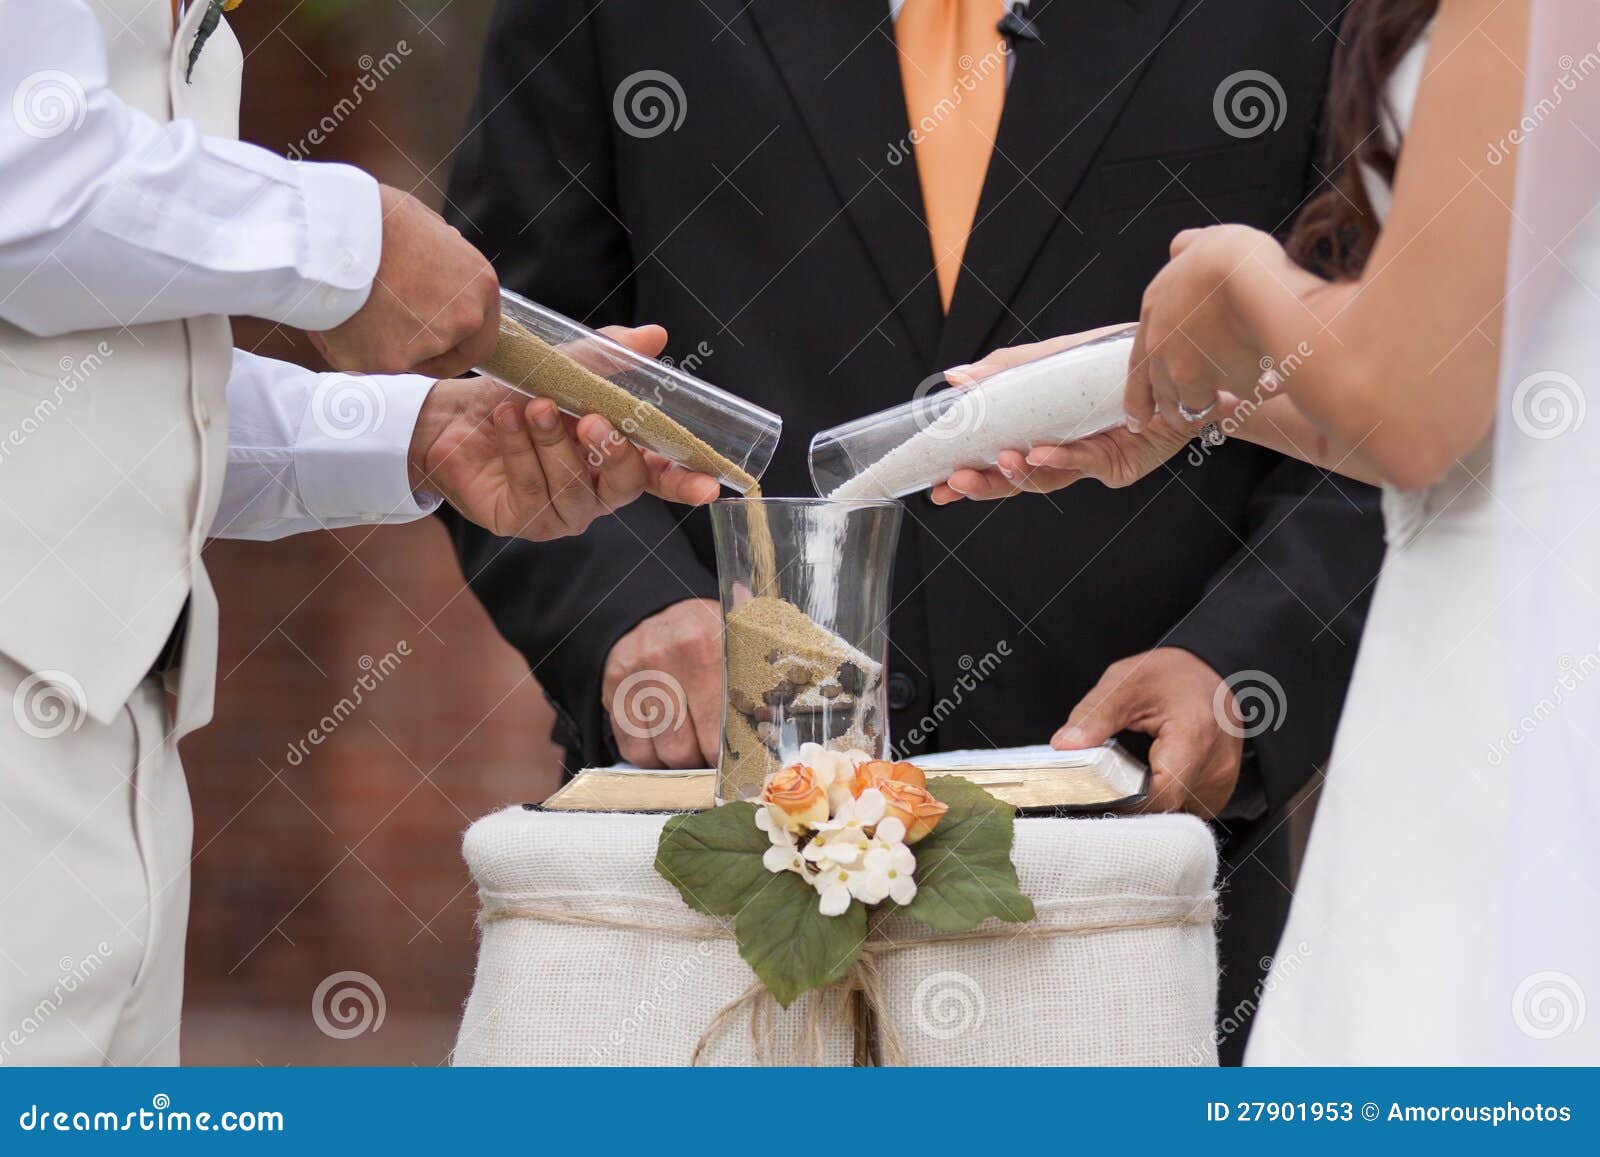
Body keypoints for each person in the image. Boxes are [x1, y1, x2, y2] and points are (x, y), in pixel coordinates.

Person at [442, 0, 1385, 1061]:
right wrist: (626, 617)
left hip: (1130, 870)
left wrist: (1240, 670)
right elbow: (500, 354)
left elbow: (1396, 391)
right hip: (696, 856)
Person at [0, 0, 716, 1065]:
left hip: (109, 731)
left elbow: (96, 383)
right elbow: (27, 179)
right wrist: (353, 241)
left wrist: (418, 433)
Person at [943, 0, 1599, 1062]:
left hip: (1519, 655)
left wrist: (1240, 275)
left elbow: (1414, 407)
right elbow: (1489, 403)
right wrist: (1163, 392)